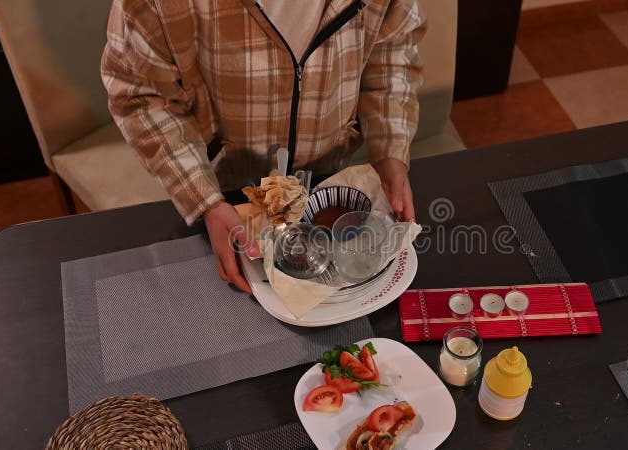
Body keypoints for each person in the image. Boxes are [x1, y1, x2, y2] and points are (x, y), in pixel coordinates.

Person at [101, 0, 425, 293]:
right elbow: (141, 94)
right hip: (221, 192)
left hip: (330, 177)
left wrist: (390, 147)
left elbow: (392, 54)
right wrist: (205, 200)